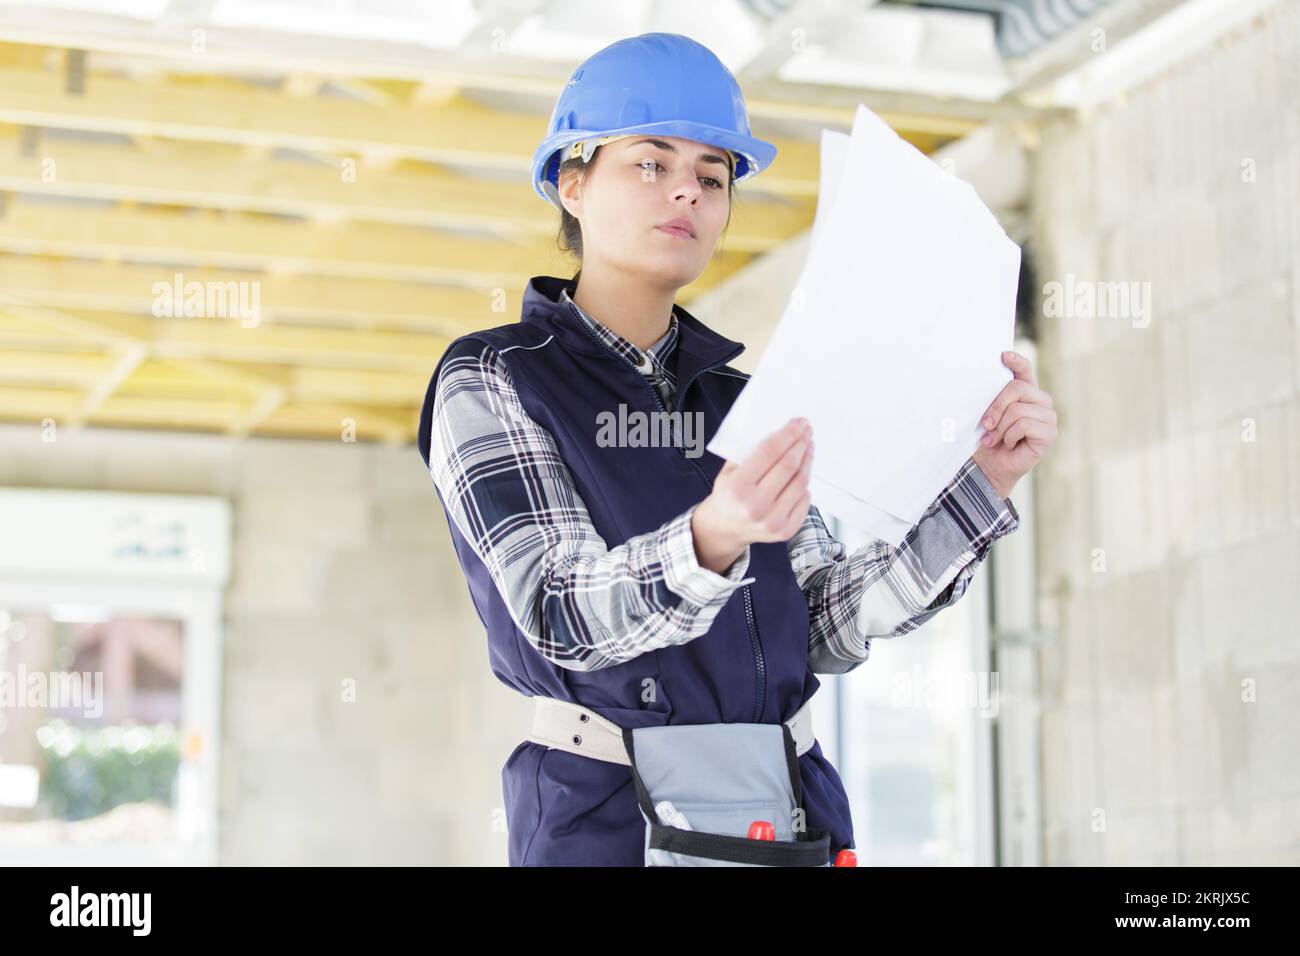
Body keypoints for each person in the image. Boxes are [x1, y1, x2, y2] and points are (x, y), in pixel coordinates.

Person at [417, 32, 1057, 866]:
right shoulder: (495, 378)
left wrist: (984, 482)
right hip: (612, 820)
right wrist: (712, 538)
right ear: (572, 184)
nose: (686, 190)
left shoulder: (747, 401)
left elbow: (824, 623)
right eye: (651, 163)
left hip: (786, 813)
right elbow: (559, 613)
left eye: (711, 177)